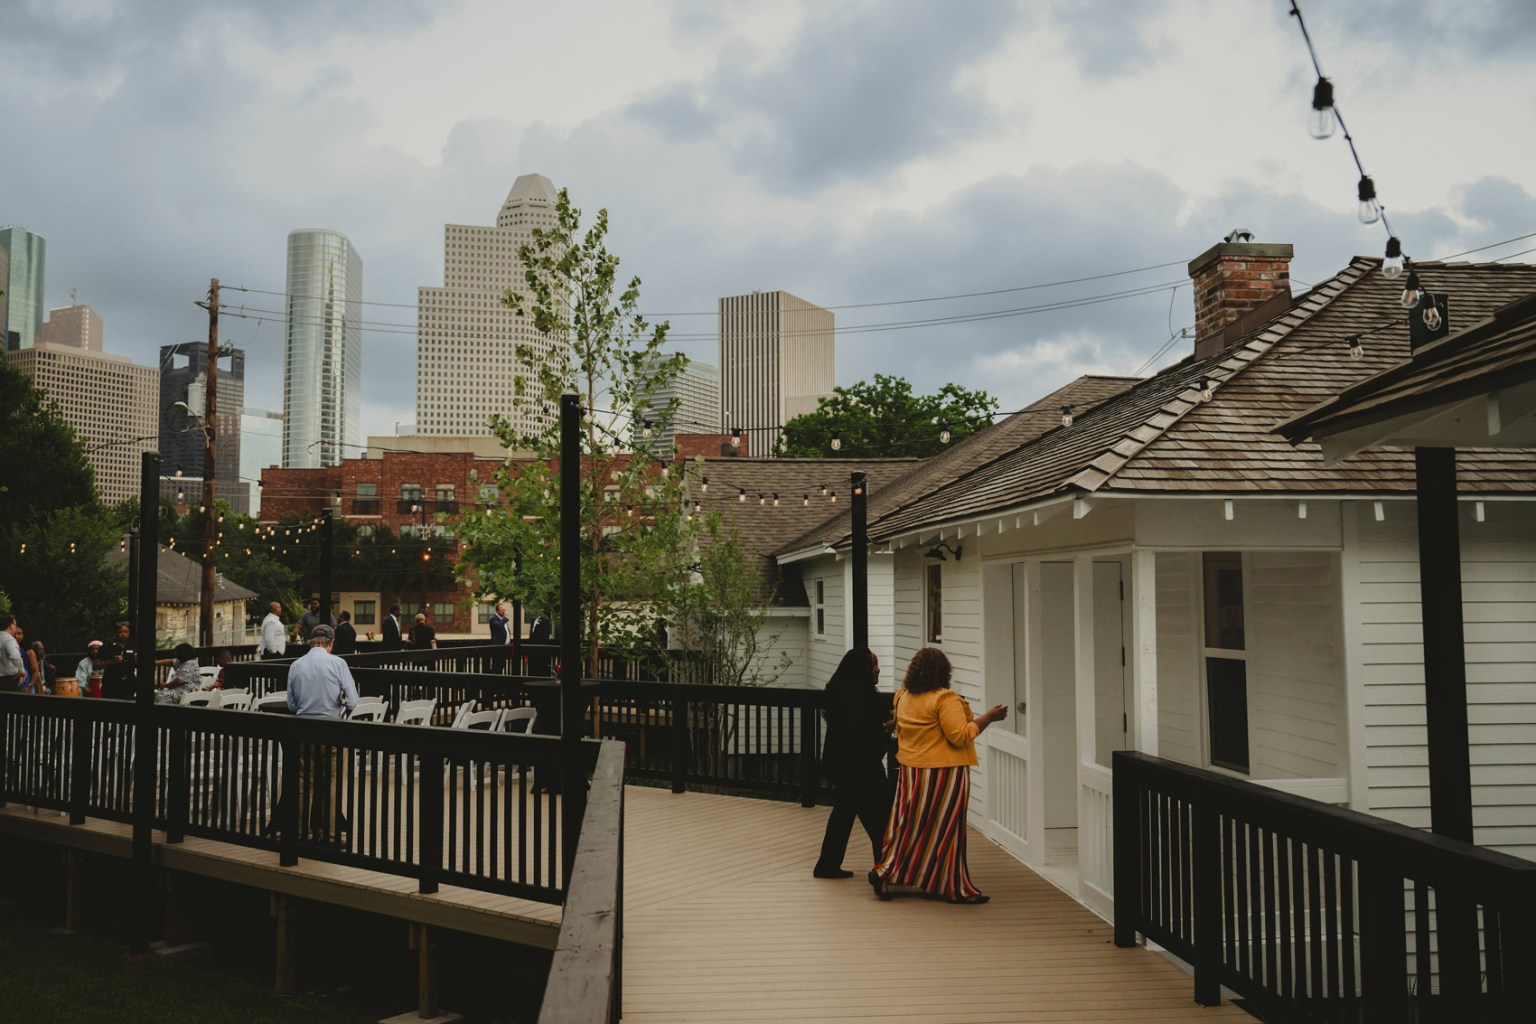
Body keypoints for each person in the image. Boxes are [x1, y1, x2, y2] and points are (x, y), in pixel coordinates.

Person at [869, 647, 1008, 905]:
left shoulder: (902, 696)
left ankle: (885, 872)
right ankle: (950, 886)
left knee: (908, 825)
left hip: (911, 772)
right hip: (944, 775)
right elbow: (960, 736)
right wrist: (989, 717)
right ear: (944, 671)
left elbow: (899, 730)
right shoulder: (945, 699)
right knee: (946, 831)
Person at [813, 647, 892, 879]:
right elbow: (860, 732)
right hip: (859, 767)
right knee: (880, 819)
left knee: (844, 815)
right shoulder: (856, 694)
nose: (878, 669)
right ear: (863, 669)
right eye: (874, 665)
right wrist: (887, 727)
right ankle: (885, 868)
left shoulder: (847, 689)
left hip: (845, 765)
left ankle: (827, 865)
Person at [284, 625, 359, 844]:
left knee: (302, 784)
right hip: (331, 730)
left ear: (310, 642)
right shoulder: (338, 663)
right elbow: (353, 701)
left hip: (303, 730)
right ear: (331, 642)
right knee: (332, 783)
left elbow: (291, 704)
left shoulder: (296, 665)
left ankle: (301, 833)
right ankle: (331, 834)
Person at [100, 622, 137, 700]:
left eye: (126, 632)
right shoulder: (107, 646)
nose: (123, 634)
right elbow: (95, 665)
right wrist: (111, 661)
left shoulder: (134, 646)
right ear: (115, 633)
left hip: (129, 682)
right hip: (111, 682)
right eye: (120, 632)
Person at [0, 615, 23, 690]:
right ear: (10, 625)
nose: (16, 627)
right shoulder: (9, 640)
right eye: (15, 624)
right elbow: (16, 657)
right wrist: (21, 671)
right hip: (9, 682)